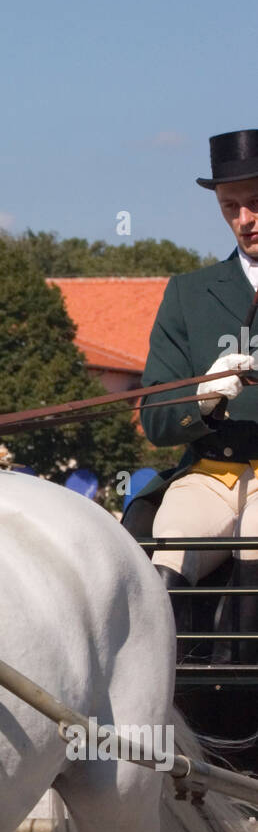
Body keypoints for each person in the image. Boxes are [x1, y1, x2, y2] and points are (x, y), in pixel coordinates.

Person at [138, 130, 258, 659]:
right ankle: (166, 696)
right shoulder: (187, 293)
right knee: (162, 557)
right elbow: (156, 423)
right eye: (230, 207)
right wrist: (202, 398)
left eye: (256, 204)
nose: (244, 220)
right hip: (210, 473)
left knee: (253, 553)